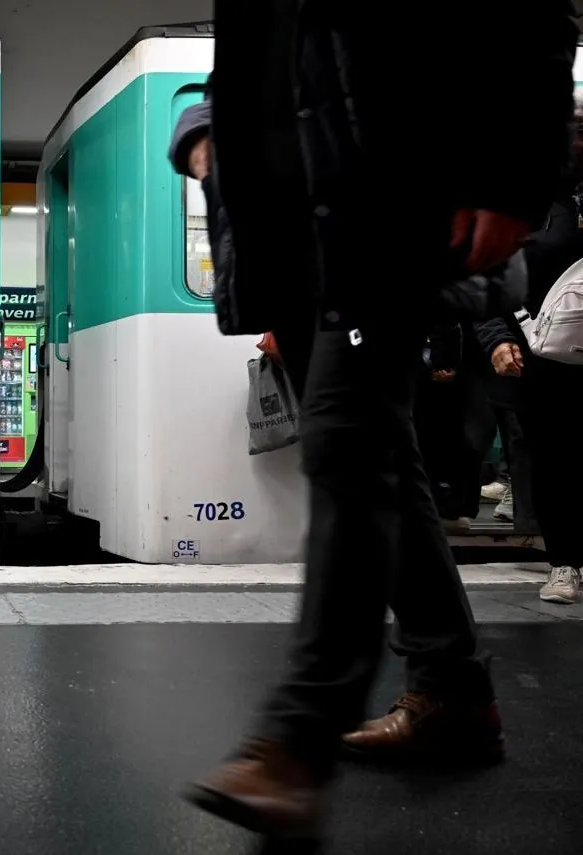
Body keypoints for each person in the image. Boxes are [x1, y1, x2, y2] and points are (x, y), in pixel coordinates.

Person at [169, 3, 577, 840]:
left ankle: (295, 739)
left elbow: (534, 17)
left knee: (348, 445)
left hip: (390, 208)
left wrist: (513, 177)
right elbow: (251, 63)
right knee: (375, 450)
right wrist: (206, 141)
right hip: (292, 235)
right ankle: (453, 691)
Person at [476, 95, 583, 605]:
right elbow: (484, 272)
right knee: (553, 460)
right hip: (538, 352)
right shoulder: (522, 196)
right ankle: (564, 562)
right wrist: (496, 336)